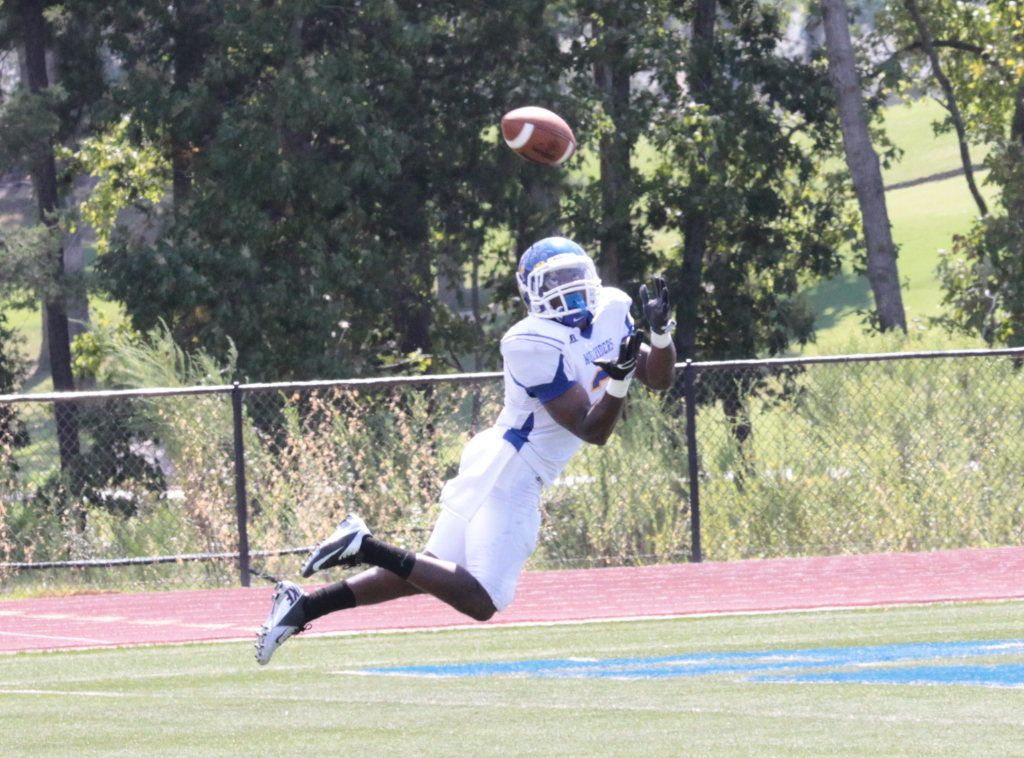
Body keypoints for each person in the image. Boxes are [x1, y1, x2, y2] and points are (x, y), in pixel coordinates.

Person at [255, 236, 677, 665]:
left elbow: (658, 378)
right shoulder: (531, 343)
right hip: (515, 469)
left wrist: (661, 337)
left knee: (427, 571)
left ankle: (303, 607)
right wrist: (619, 383)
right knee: (482, 599)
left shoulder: (610, 309)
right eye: (555, 281)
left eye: (572, 276)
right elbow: (592, 430)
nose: (567, 288)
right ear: (532, 293)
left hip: (502, 460)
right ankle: (363, 545)